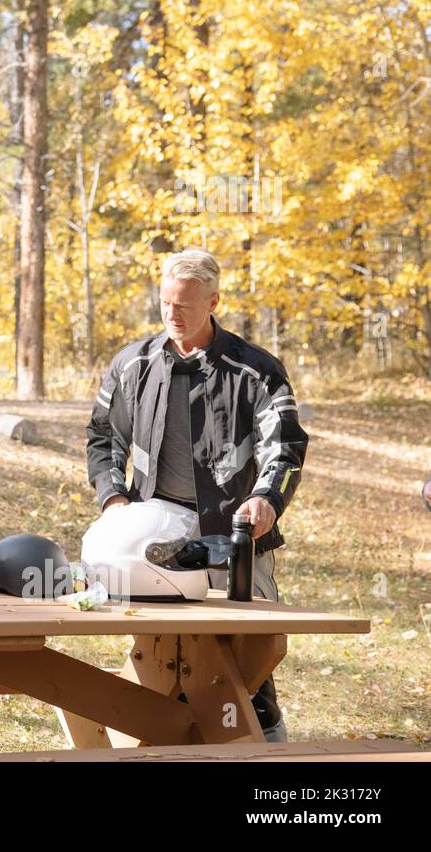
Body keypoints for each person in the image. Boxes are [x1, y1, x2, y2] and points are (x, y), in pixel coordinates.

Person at [86, 248, 308, 742]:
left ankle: (266, 747)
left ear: (213, 301)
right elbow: (102, 438)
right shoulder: (130, 365)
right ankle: (160, 741)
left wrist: (268, 499)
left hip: (233, 535)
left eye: (184, 305)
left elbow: (286, 446)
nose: (172, 314)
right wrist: (113, 499)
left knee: (245, 659)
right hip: (151, 533)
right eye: (165, 303)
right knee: (163, 652)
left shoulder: (257, 370)